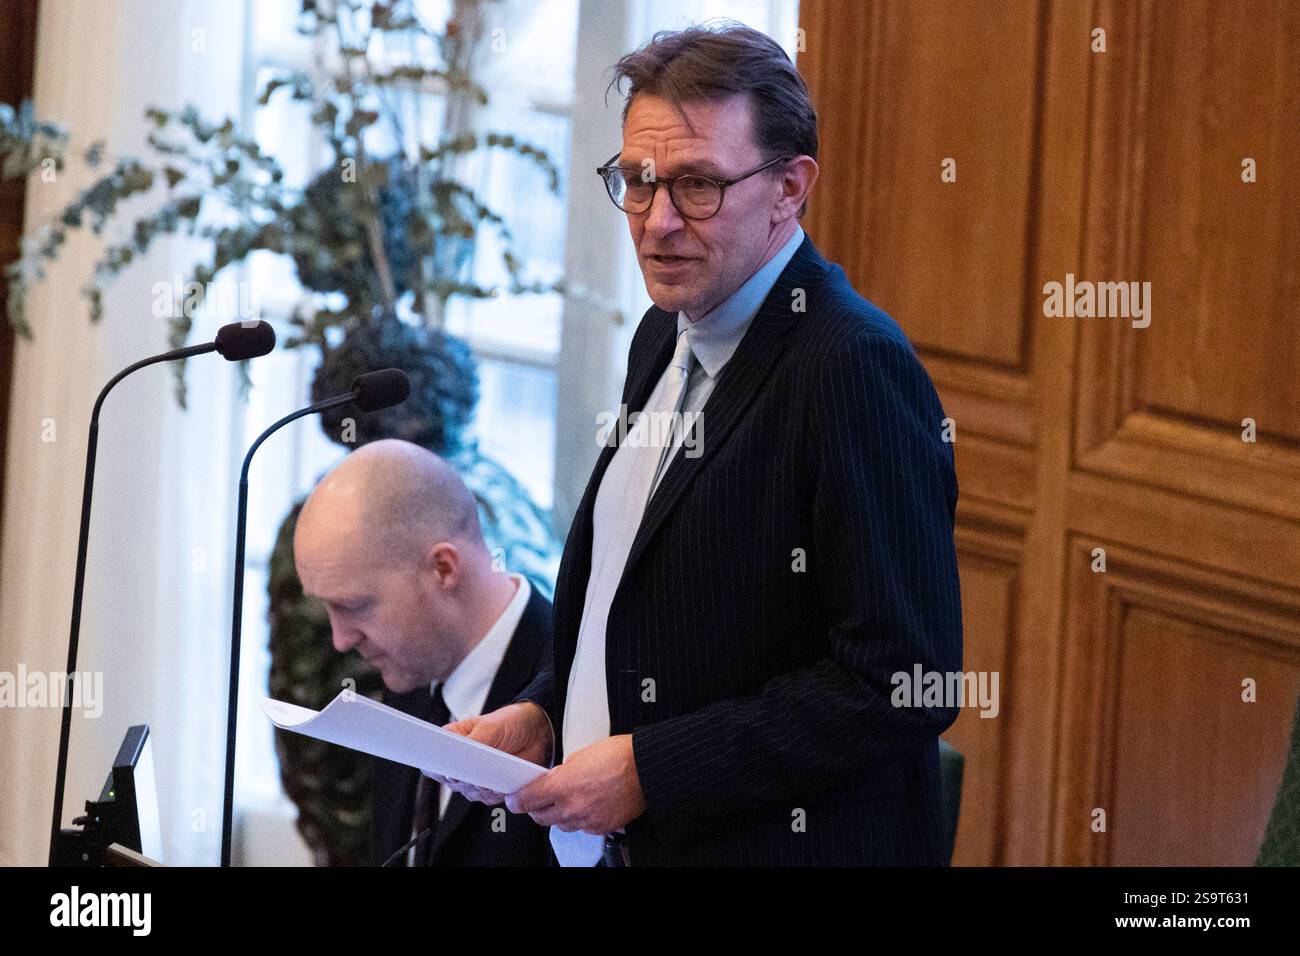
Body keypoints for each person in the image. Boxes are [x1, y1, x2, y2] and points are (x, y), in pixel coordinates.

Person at [440, 22, 963, 866]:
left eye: (697, 185)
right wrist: (544, 708)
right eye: (639, 183)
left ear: (791, 187)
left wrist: (655, 769)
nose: (657, 222)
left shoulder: (851, 369)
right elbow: (631, 592)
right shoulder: (663, 333)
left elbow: (902, 681)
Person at [293, 439, 554, 866]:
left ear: (443, 569)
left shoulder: (573, 684)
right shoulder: (410, 670)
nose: (340, 640)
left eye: (355, 606)